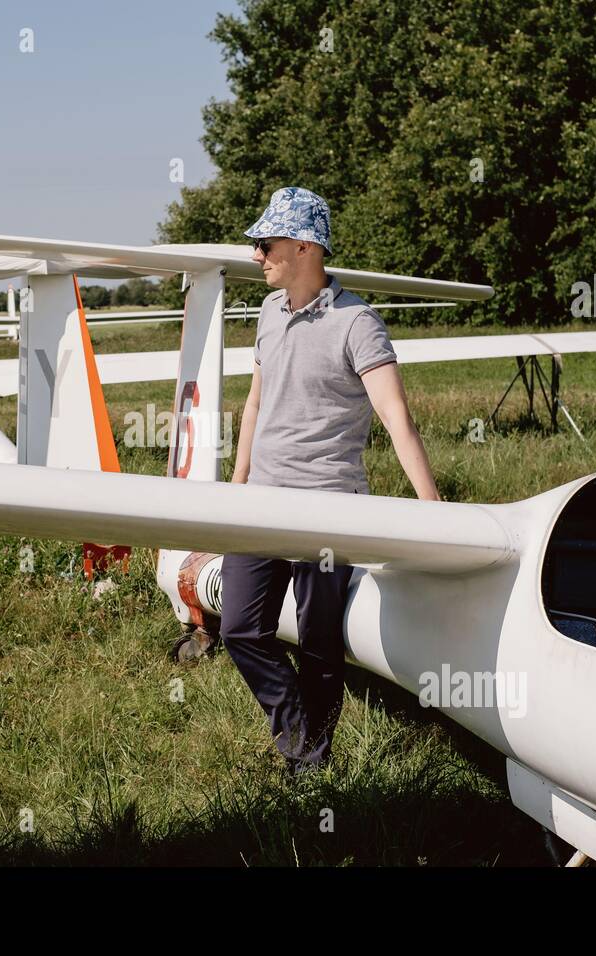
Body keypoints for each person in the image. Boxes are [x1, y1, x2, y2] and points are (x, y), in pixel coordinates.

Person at [223, 185, 442, 776]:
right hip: (262, 502)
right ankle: (300, 734)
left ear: (304, 246)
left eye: (264, 243)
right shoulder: (269, 313)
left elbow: (396, 417)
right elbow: (253, 405)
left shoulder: (358, 323)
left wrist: (436, 512)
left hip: (327, 508)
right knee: (240, 629)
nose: (255, 254)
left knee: (320, 645)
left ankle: (309, 764)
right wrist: (237, 485)